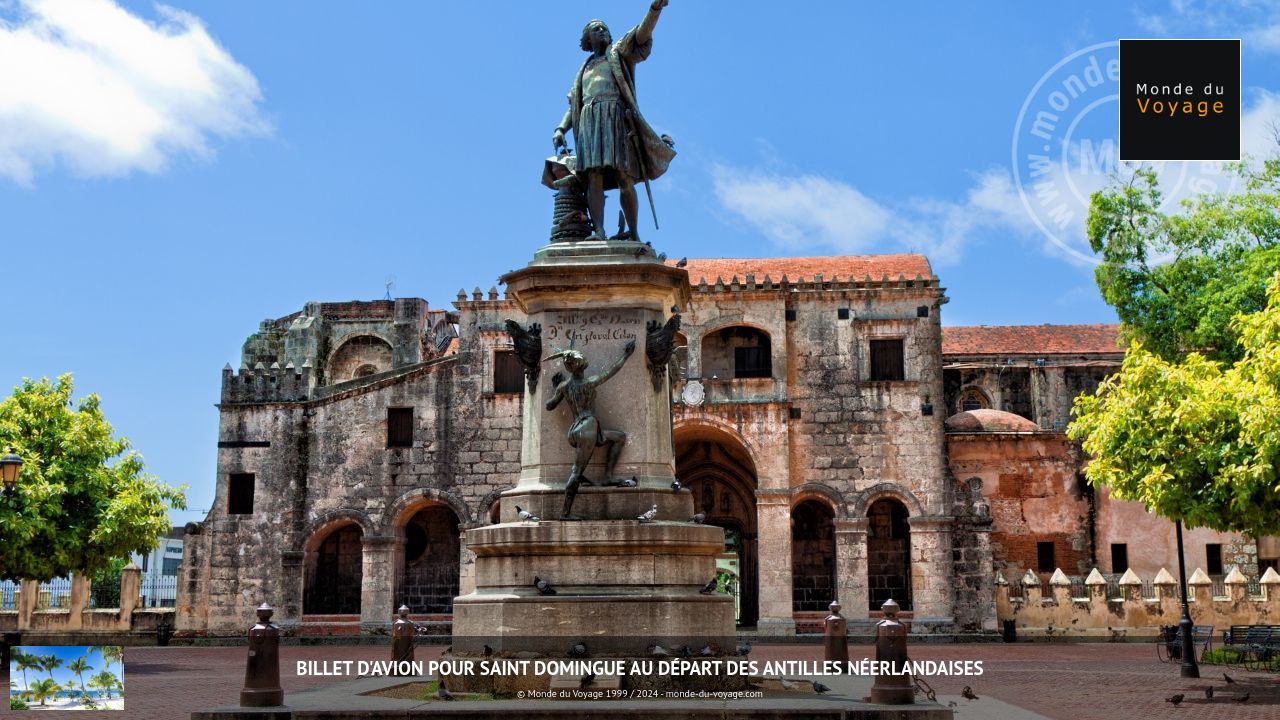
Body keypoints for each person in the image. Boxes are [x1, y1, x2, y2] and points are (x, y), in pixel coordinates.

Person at [552, 0, 675, 242]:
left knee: (624, 177)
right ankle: (598, 231)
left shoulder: (618, 53)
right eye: (597, 29)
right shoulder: (584, 69)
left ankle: (634, 233)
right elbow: (573, 104)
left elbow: (641, 33)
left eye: (605, 28)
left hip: (615, 117)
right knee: (593, 176)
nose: (603, 31)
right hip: (588, 120)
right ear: (588, 39)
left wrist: (654, 9)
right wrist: (560, 128)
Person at [545, 340, 636, 518]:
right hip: (588, 427)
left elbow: (549, 406)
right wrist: (625, 355)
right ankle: (565, 513)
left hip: (579, 428)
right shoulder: (589, 383)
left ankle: (608, 476)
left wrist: (557, 389)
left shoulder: (565, 386)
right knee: (577, 472)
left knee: (619, 438)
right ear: (579, 367)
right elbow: (611, 371)